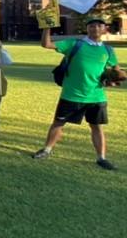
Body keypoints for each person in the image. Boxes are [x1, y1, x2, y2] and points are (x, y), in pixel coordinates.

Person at [33, 19, 120, 170]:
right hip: (71, 94)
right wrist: (47, 27)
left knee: (97, 127)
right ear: (87, 29)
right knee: (58, 123)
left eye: (99, 26)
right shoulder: (75, 44)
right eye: (91, 26)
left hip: (96, 96)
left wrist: (116, 76)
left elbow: (115, 70)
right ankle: (46, 150)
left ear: (104, 29)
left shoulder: (108, 50)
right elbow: (46, 44)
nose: (95, 28)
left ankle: (101, 158)